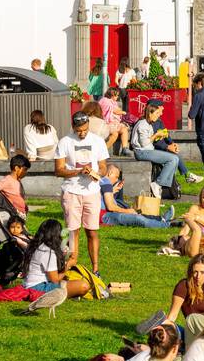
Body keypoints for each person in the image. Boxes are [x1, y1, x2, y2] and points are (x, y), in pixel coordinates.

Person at [54, 110, 109, 274]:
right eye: (79, 131)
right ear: (73, 127)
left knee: (92, 231)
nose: (82, 133)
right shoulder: (64, 142)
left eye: (85, 129)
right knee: (72, 231)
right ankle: (71, 264)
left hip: (91, 191)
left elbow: (104, 166)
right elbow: (58, 170)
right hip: (71, 191)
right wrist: (78, 171)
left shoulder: (98, 141)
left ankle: (96, 269)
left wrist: (98, 173)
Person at [133, 101, 199, 198]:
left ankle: (161, 186)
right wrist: (156, 135)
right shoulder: (142, 124)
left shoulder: (149, 124)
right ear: (150, 113)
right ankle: (158, 184)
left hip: (148, 151)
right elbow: (144, 143)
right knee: (172, 159)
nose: (158, 116)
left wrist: (164, 138)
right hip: (142, 152)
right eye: (156, 114)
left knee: (175, 159)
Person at [21, 218, 91, 305]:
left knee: (75, 280)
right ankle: (66, 295)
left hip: (30, 285)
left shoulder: (38, 246)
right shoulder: (47, 251)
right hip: (38, 287)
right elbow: (54, 279)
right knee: (83, 286)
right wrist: (68, 265)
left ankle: (71, 294)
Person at [99, 165, 175, 228]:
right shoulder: (106, 182)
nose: (116, 180)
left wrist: (112, 191)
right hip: (104, 215)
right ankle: (167, 224)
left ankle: (161, 219)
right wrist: (127, 211)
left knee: (136, 214)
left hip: (104, 214)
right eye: (116, 177)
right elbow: (110, 207)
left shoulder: (102, 181)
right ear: (110, 173)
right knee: (137, 218)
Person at [0, 154, 31, 221]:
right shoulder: (7, 180)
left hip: (21, 213)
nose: (26, 172)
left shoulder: (18, 180)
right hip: (13, 214)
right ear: (16, 168)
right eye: (25, 169)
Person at [98, 87, 130, 153]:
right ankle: (103, 151)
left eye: (118, 95)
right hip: (106, 123)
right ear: (111, 94)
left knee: (124, 130)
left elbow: (117, 110)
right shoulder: (104, 100)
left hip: (114, 123)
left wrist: (120, 111)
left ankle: (124, 149)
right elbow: (114, 110)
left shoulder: (113, 102)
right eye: (116, 95)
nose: (117, 97)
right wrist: (124, 112)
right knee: (115, 134)